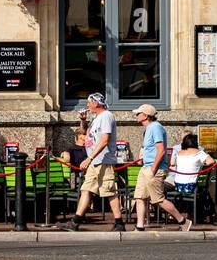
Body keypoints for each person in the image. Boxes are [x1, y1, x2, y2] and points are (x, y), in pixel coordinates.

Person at [60, 92, 125, 232]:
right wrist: (83, 121)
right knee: (86, 190)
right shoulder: (96, 118)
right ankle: (75, 222)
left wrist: (89, 158)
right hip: (94, 162)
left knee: (109, 191)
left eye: (89, 102)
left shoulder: (106, 116)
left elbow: (104, 139)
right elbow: (85, 134)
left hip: (103, 161)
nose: (87, 105)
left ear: (96, 103)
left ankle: (119, 223)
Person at [132, 104, 191, 232]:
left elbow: (161, 150)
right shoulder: (148, 129)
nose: (136, 115)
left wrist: (153, 169)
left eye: (138, 113)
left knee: (158, 199)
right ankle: (140, 226)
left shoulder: (155, 128)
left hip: (154, 169)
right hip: (146, 167)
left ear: (146, 116)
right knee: (139, 197)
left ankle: (183, 221)